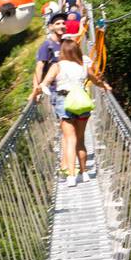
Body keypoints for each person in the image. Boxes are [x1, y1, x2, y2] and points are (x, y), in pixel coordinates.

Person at [37, 38, 110, 187]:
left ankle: (71, 175)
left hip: (65, 102)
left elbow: (45, 82)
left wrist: (42, 90)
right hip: (82, 102)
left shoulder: (57, 66)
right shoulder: (83, 66)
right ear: (77, 50)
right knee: (81, 139)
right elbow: (95, 80)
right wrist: (105, 86)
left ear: (62, 51)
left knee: (70, 139)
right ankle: (85, 173)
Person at [33, 17, 68, 116]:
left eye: (63, 23)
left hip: (71, 90)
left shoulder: (66, 43)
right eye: (57, 24)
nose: (61, 26)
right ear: (51, 27)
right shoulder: (47, 45)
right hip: (57, 92)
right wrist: (36, 90)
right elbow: (39, 67)